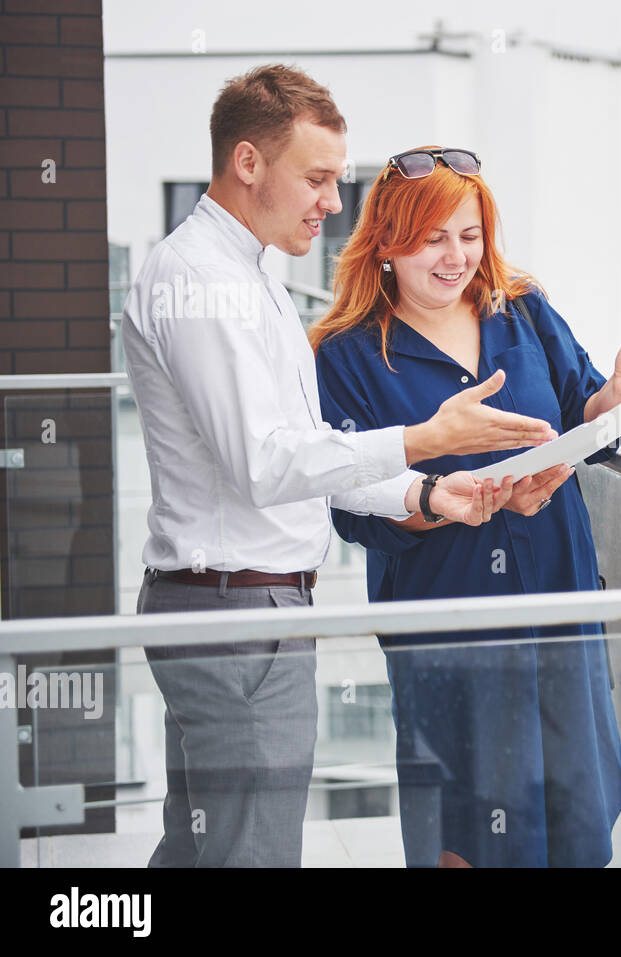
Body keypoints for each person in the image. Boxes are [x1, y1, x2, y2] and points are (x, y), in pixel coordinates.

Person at [121, 68, 556, 867]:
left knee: (199, 850)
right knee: (248, 855)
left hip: (245, 612)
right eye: (316, 178)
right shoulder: (200, 283)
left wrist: (427, 490)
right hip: (236, 616)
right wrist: (420, 440)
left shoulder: (247, 278)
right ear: (248, 163)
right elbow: (266, 464)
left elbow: (308, 451)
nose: (331, 202)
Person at [310, 145, 621, 866]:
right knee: (469, 838)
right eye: (433, 237)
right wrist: (445, 504)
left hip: (557, 612)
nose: (456, 257)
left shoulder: (523, 311)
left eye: (471, 235)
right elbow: (352, 504)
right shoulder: (345, 355)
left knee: (575, 829)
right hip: (452, 633)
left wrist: (617, 398)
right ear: (386, 242)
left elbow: (582, 413)